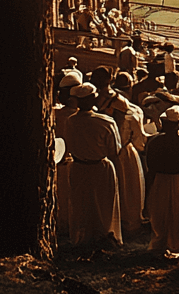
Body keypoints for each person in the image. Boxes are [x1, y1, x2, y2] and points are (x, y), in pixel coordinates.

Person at [63, 82, 123, 247]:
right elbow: (114, 150)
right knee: (103, 204)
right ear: (93, 99)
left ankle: (82, 237)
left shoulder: (70, 121)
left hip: (78, 167)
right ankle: (104, 236)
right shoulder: (106, 122)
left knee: (81, 204)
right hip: (100, 168)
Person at [146, 105, 179, 257]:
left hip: (162, 180)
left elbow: (150, 167)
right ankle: (177, 245)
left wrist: (149, 188)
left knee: (160, 214)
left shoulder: (155, 141)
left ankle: (162, 243)